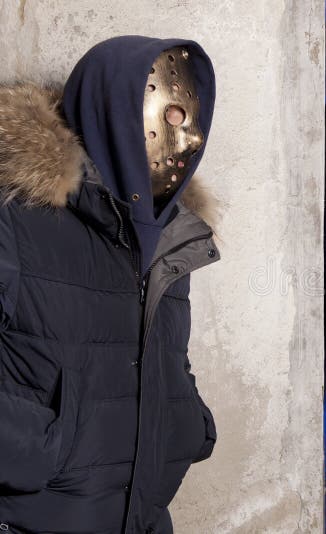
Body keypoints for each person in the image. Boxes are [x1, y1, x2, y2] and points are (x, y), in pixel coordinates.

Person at [0, 36, 219, 533]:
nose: (186, 139)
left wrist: (189, 424)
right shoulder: (16, 219)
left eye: (191, 118)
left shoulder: (171, 237)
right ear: (112, 112)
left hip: (144, 518)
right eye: (167, 116)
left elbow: (166, 357)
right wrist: (46, 446)